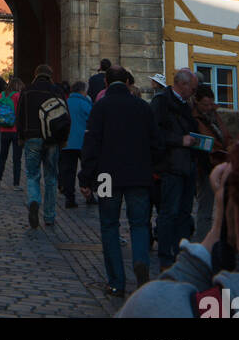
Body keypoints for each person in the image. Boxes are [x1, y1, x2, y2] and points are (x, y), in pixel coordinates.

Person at [117, 154, 238, 319]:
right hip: (175, 170)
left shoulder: (161, 305)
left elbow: (159, 304)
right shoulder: (222, 304)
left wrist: (219, 227)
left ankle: (161, 258)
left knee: (148, 219)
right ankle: (156, 256)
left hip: (153, 171)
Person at [79, 66, 162, 297]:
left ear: (105, 83)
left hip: (106, 176)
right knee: (138, 224)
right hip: (138, 174)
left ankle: (116, 281)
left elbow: (91, 145)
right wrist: (151, 167)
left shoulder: (101, 108)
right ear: (128, 82)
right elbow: (157, 144)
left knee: (109, 225)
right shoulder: (143, 108)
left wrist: (85, 177)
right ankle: (140, 261)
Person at [150, 67, 196, 269]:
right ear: (183, 84)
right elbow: (154, 133)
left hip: (187, 166)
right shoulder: (161, 102)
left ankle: (181, 256)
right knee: (169, 212)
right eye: (192, 88)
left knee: (185, 213)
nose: (194, 91)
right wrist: (180, 140)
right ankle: (166, 257)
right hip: (171, 166)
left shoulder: (187, 104)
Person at [15, 64, 70, 230]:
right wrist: (63, 140)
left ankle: (33, 200)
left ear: (36, 75)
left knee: (32, 175)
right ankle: (49, 216)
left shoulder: (27, 91)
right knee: (51, 177)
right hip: (52, 140)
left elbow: (19, 115)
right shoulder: (57, 91)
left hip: (31, 138)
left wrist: (20, 137)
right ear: (50, 75)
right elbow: (66, 116)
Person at [191, 84, 229, 237]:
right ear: (197, 102)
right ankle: (201, 245)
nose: (208, 107)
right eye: (205, 104)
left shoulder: (214, 115)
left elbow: (225, 135)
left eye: (210, 104)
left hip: (221, 164)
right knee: (205, 209)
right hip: (206, 166)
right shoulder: (194, 117)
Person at [59, 81, 92, 208]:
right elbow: (92, 120)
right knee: (87, 169)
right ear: (83, 91)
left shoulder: (65, 103)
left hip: (67, 142)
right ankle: (89, 194)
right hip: (84, 142)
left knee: (69, 171)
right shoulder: (85, 103)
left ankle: (70, 198)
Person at [0, 76, 22, 188]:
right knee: (16, 158)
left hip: (4, 130)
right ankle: (16, 183)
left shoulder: (1, 95)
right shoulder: (18, 96)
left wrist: (1, 122)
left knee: (2, 155)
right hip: (16, 130)